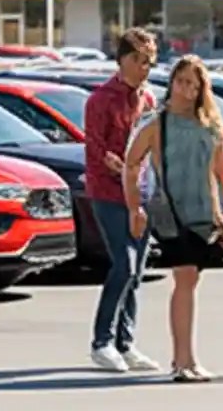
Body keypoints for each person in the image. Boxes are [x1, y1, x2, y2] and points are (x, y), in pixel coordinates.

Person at [123, 55, 223, 382]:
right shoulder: (156, 123)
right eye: (181, 81)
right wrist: (135, 207)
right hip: (170, 213)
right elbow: (132, 164)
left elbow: (217, 172)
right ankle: (183, 360)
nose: (186, 90)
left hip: (201, 213)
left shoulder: (210, 126)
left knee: (190, 281)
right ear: (171, 82)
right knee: (185, 278)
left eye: (193, 84)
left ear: (202, 89)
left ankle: (184, 359)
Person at [84, 28, 160, 373]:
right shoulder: (100, 100)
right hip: (109, 194)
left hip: (141, 193)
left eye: (150, 62)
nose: (146, 68)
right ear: (124, 60)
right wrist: (119, 165)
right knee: (124, 264)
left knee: (138, 271)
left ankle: (125, 343)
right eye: (140, 61)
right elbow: (96, 148)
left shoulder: (148, 100)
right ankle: (102, 341)